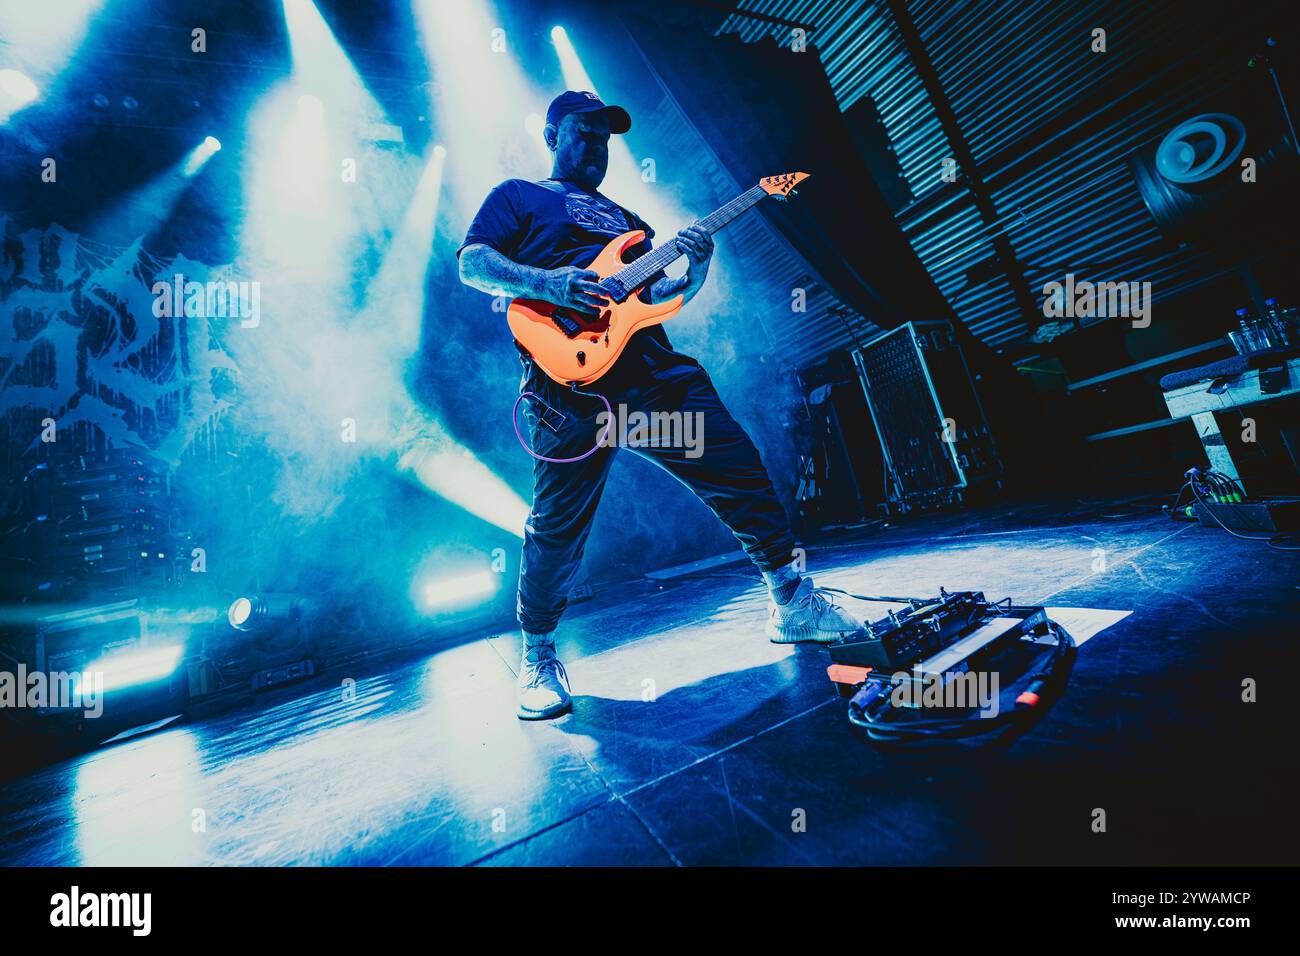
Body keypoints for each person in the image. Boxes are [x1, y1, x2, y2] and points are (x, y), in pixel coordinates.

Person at [457, 90, 858, 720]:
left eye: (606, 138)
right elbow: (473, 264)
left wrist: (691, 276)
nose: (597, 147)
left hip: (649, 378)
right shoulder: (517, 196)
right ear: (553, 135)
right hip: (567, 386)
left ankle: (791, 601)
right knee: (557, 528)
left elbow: (656, 296)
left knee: (737, 467)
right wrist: (549, 283)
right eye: (584, 134)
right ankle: (537, 657)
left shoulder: (628, 221)